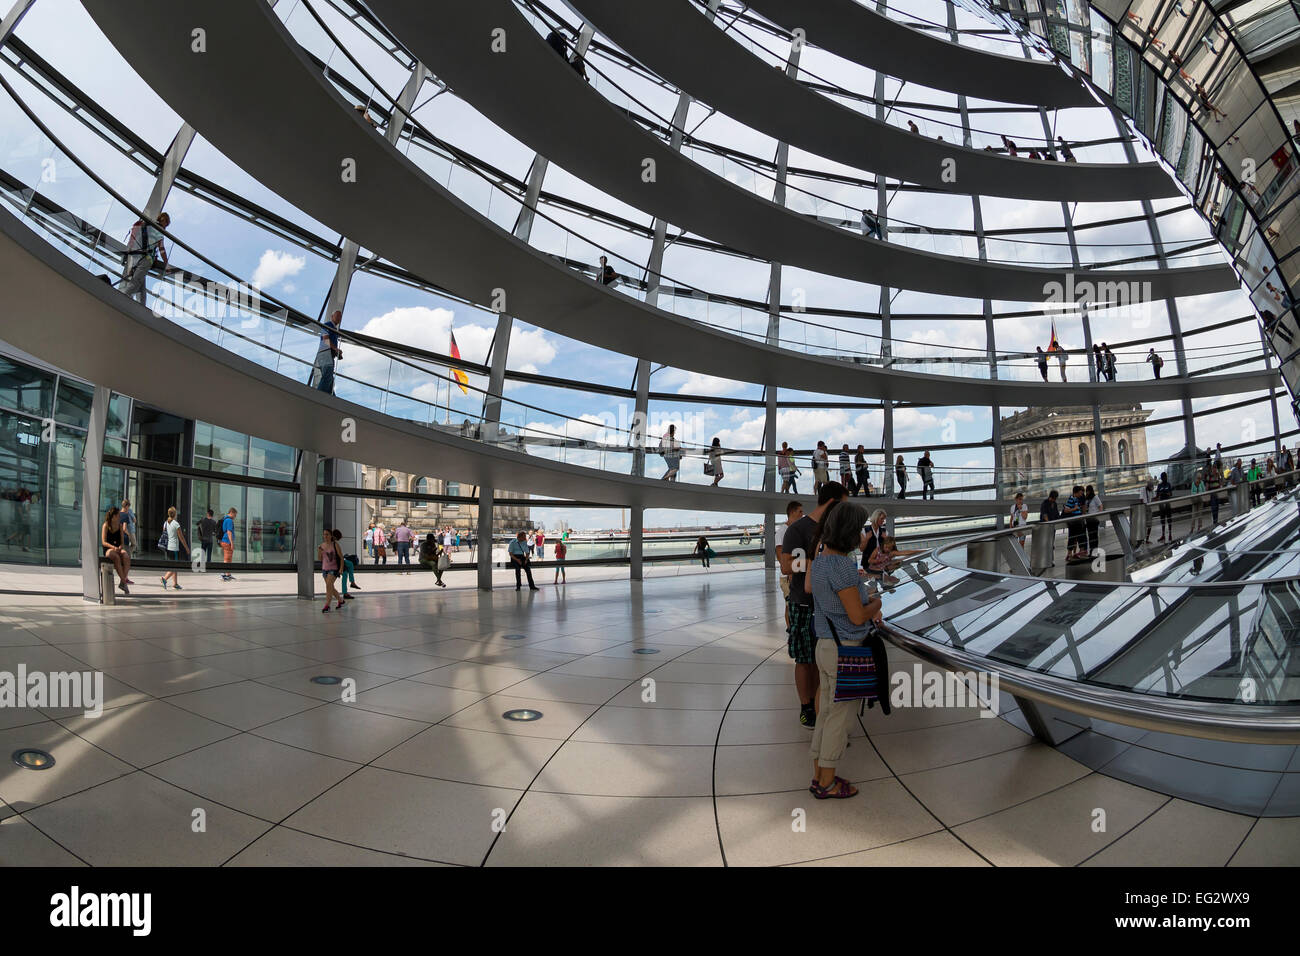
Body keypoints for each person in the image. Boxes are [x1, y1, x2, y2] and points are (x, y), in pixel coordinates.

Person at [808, 500, 883, 800]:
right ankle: (827, 783)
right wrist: (875, 604)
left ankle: (818, 775)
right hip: (845, 651)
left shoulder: (821, 559)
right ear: (850, 530)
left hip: (825, 645)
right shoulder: (841, 565)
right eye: (862, 527)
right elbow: (856, 616)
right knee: (840, 718)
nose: (865, 533)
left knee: (826, 714)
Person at [780, 483, 848, 729]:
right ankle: (806, 706)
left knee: (824, 661)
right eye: (843, 506)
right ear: (832, 503)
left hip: (828, 606)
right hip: (803, 604)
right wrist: (816, 562)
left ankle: (822, 708)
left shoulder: (833, 530)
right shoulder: (798, 530)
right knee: (804, 659)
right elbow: (787, 566)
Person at [120, 211, 170, 304]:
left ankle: (142, 304)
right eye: (166, 224)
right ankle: (123, 298)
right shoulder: (159, 230)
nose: (165, 227)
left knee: (140, 283)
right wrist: (166, 263)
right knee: (136, 281)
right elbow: (162, 249)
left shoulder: (147, 225)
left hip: (136, 255)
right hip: (146, 258)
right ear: (164, 220)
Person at [311, 310, 343, 394]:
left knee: (330, 380)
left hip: (328, 354)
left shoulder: (334, 329)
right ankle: (318, 395)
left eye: (340, 317)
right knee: (327, 377)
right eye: (337, 316)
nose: (339, 318)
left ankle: (331, 398)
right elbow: (325, 339)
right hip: (325, 353)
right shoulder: (327, 325)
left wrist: (336, 351)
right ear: (332, 317)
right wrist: (336, 349)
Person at [101, 506, 130, 596]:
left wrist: (120, 547)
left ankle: (122, 582)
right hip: (109, 549)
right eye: (118, 516)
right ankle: (124, 582)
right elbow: (103, 542)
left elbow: (121, 542)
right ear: (113, 516)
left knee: (126, 556)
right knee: (116, 557)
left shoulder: (120, 526)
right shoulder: (106, 525)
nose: (119, 517)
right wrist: (113, 548)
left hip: (118, 548)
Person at [160, 506, 187, 590]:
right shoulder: (176, 524)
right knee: (175, 566)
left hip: (167, 547)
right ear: (175, 514)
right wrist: (187, 548)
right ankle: (164, 579)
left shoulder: (165, 523)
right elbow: (181, 538)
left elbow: (164, 533)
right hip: (174, 548)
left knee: (173, 565)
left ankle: (175, 584)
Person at [318, 528, 344, 613]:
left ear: (330, 535)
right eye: (324, 534)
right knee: (331, 587)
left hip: (333, 569)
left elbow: (341, 557)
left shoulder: (335, 545)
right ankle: (340, 600)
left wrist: (341, 569)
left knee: (328, 586)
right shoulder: (322, 545)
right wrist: (319, 551)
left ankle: (327, 605)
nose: (325, 536)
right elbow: (320, 559)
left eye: (327, 534)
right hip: (325, 569)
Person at [331, 529, 361, 598]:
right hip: (337, 562)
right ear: (335, 536)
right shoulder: (334, 544)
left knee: (346, 573)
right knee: (349, 565)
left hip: (337, 562)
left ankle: (346, 592)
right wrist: (341, 566)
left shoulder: (333, 543)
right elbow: (340, 556)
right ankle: (351, 584)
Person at [1062, 485, 1085, 560]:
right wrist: (1074, 509)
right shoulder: (1071, 499)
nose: (1081, 494)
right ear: (1076, 492)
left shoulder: (1076, 499)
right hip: (1073, 523)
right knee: (1072, 537)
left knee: (1078, 537)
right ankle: (1069, 554)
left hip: (1077, 521)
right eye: (1080, 493)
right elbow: (1066, 510)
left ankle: (1076, 553)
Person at [1084, 484, 1102, 557]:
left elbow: (1100, 505)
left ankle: (1095, 551)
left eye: (1088, 491)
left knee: (1094, 535)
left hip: (1094, 519)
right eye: (1086, 491)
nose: (1087, 492)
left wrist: (1099, 515)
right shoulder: (1086, 499)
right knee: (1090, 535)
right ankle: (1091, 551)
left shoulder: (1095, 497)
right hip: (1088, 519)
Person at [220, 507, 237, 581]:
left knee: (228, 558)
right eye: (235, 515)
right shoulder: (229, 520)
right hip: (227, 541)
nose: (235, 517)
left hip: (224, 541)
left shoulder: (225, 519)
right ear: (232, 513)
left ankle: (228, 574)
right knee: (227, 558)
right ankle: (225, 575)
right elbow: (229, 532)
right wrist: (232, 543)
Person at [1156, 472, 1174, 541]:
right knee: (1162, 520)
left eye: (1165, 477)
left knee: (1169, 519)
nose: (1164, 478)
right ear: (1162, 478)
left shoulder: (1168, 484)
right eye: (1163, 477)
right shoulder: (1159, 485)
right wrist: (1160, 493)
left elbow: (1171, 494)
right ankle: (1163, 535)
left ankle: (1170, 534)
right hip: (1161, 504)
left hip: (1167, 503)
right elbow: (1157, 495)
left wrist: (1166, 493)